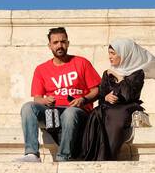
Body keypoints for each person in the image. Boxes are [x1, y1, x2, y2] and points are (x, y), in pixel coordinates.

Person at [15, 26, 101, 163]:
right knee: (28, 107)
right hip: (52, 113)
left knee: (70, 113)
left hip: (78, 112)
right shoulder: (41, 69)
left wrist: (83, 99)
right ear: (49, 46)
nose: (59, 45)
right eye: (55, 43)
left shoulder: (82, 63)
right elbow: (37, 98)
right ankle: (32, 154)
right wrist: (45, 101)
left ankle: (63, 156)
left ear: (68, 43)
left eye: (63, 41)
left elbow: (97, 90)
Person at [78, 39, 155, 161]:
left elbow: (128, 95)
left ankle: (108, 156)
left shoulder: (137, 73)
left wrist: (119, 77)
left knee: (115, 116)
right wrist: (106, 97)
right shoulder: (107, 73)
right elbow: (101, 95)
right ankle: (93, 156)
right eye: (109, 53)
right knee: (96, 114)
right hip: (108, 106)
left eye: (113, 53)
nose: (110, 57)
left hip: (127, 107)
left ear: (125, 54)